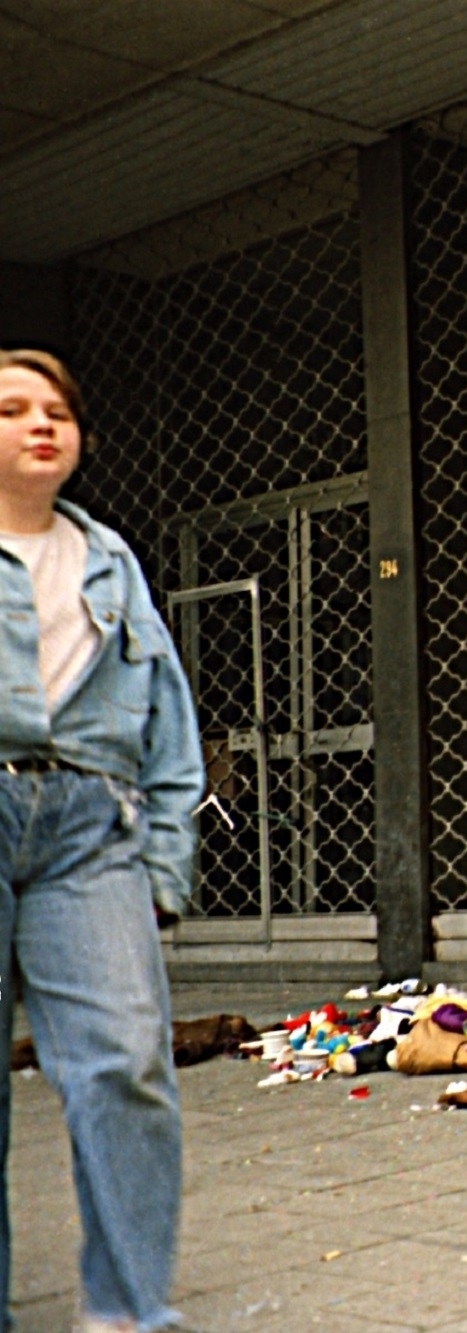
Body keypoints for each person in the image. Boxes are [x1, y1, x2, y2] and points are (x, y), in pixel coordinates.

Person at [0, 349, 203, 1332]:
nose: (42, 422)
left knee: (125, 1060)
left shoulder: (109, 558)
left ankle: (126, 1314)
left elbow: (169, 717)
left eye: (59, 410)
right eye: (11, 408)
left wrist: (164, 860)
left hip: (90, 830)